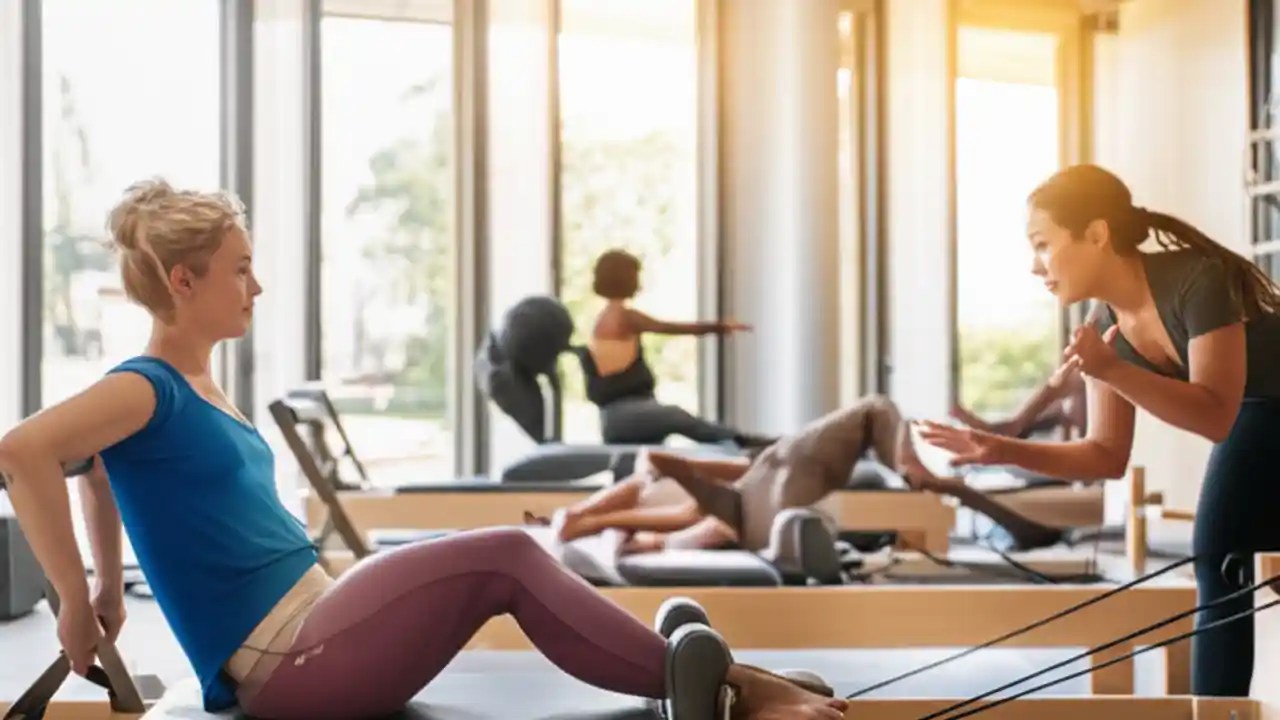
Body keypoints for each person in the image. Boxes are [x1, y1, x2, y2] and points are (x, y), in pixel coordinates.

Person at [0, 179, 848, 720]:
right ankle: (722, 684)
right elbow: (26, 450)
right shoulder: (145, 383)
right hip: (293, 662)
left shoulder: (188, 388)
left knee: (484, 560)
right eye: (239, 269)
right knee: (508, 555)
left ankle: (724, 680)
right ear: (183, 282)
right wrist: (73, 600)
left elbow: (97, 467)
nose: (255, 286)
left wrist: (110, 584)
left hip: (314, 627)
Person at [918, 163, 1280, 697]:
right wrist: (1000, 449)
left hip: (1260, 408)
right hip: (1259, 414)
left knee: (1217, 551)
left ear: (1097, 234)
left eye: (1042, 244)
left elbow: (1214, 413)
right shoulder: (1102, 324)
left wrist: (1110, 368)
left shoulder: (1199, 280)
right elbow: (1105, 455)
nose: (1033, 265)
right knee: (1219, 561)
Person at [533, 394, 1063, 555]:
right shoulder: (742, 494)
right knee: (877, 408)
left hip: (761, 495)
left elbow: (697, 496)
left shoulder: (737, 498)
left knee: (713, 499)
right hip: (766, 495)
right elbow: (695, 497)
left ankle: (581, 520)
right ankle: (580, 520)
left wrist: (597, 519)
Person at [577, 248, 774, 448]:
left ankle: (738, 441)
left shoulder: (603, 319)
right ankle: (741, 441)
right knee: (675, 416)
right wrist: (721, 327)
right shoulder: (623, 317)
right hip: (626, 415)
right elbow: (670, 328)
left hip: (623, 415)